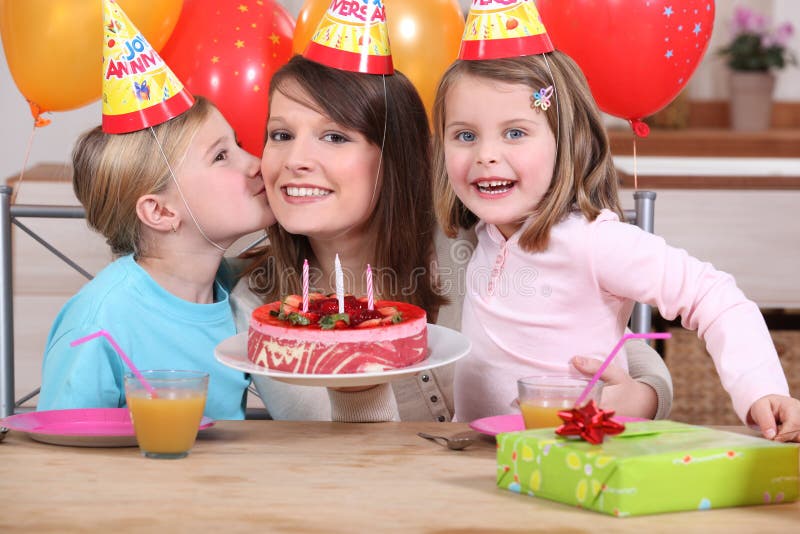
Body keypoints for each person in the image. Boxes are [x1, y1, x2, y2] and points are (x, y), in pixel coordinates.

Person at [231, 1, 673, 422]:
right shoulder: (261, 304)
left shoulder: (478, 248)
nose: (295, 161)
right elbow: (340, 449)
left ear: (394, 156)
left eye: (334, 137)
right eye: (280, 135)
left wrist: (644, 396)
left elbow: (617, 351)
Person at [430, 1, 799, 441]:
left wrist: (761, 389)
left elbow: (713, 294)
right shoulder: (486, 236)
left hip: (574, 461)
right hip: (481, 464)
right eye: (465, 135)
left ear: (565, 142)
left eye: (515, 132)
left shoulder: (594, 242)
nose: (486, 154)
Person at [37, 5, 274, 420]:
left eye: (237, 144)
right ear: (159, 211)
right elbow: (57, 458)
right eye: (221, 156)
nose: (255, 162)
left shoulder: (240, 294)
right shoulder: (100, 321)